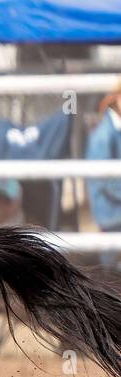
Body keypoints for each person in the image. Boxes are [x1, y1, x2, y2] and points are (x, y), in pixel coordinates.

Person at [87, 94, 121, 276]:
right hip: (112, 214)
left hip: (113, 213)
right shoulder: (104, 134)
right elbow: (106, 179)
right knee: (110, 273)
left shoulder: (111, 131)